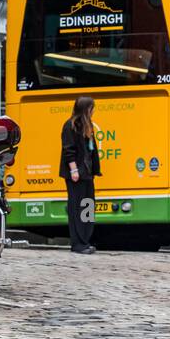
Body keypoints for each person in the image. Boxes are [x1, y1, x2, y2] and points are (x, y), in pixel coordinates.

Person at [60, 96, 102, 255]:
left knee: (88, 206)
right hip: (76, 174)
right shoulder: (70, 126)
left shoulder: (87, 125)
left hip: (88, 174)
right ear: (86, 109)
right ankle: (77, 243)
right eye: (91, 108)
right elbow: (68, 150)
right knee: (76, 207)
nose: (93, 111)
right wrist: (73, 170)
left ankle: (86, 239)